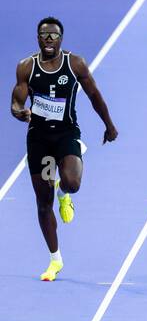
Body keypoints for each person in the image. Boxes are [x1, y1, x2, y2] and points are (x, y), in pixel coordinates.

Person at [10, 17, 117, 281]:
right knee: (43, 203)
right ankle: (55, 260)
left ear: (61, 39)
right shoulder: (26, 67)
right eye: (44, 35)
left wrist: (109, 125)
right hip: (39, 141)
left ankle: (63, 193)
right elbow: (16, 101)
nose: (49, 39)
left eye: (54, 35)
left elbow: (94, 95)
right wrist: (18, 112)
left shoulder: (75, 64)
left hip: (66, 135)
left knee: (72, 182)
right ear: (37, 38)